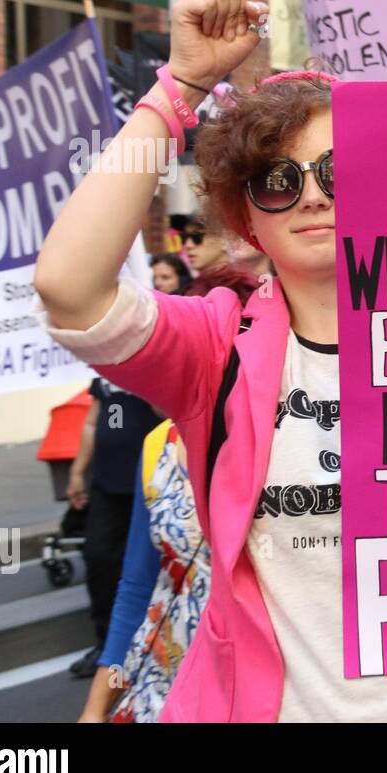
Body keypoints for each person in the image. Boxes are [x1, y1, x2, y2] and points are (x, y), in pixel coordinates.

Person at [34, 0, 387, 722]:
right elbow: (69, 286)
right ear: (247, 216)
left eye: (336, 172)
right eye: (279, 180)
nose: (314, 196)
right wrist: (181, 86)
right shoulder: (214, 346)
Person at [79, 266, 258, 722]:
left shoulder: (301, 441)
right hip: (169, 690)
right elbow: (139, 587)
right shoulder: (158, 446)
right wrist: (96, 708)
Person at [66, 374, 164, 678]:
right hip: (108, 483)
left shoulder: (150, 355)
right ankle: (107, 645)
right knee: (99, 558)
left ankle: (157, 644)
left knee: (150, 568)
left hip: (151, 479)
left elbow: (169, 409)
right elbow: (92, 423)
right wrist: (78, 472)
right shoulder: (103, 368)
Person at [171, 210, 229, 275]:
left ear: (224, 240)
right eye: (185, 237)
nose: (188, 245)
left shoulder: (236, 282)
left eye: (197, 237)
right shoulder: (194, 282)